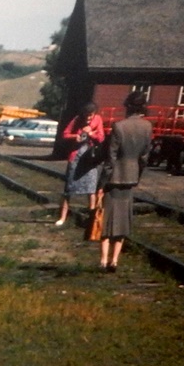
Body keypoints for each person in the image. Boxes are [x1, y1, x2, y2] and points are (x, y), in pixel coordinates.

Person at [100, 91, 153, 272]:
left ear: (128, 106)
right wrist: (138, 175)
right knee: (123, 220)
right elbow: (145, 157)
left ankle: (103, 260)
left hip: (114, 177)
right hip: (131, 176)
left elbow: (111, 158)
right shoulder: (147, 127)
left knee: (107, 219)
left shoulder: (118, 126)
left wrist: (102, 182)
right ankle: (115, 261)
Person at [54, 101, 105, 227]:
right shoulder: (76, 120)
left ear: (94, 114)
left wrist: (91, 133)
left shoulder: (98, 119)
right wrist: (74, 136)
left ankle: (91, 218)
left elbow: (101, 137)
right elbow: (65, 134)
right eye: (86, 115)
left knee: (91, 189)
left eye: (90, 115)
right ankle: (63, 217)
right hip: (76, 156)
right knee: (69, 188)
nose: (88, 118)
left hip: (90, 158)